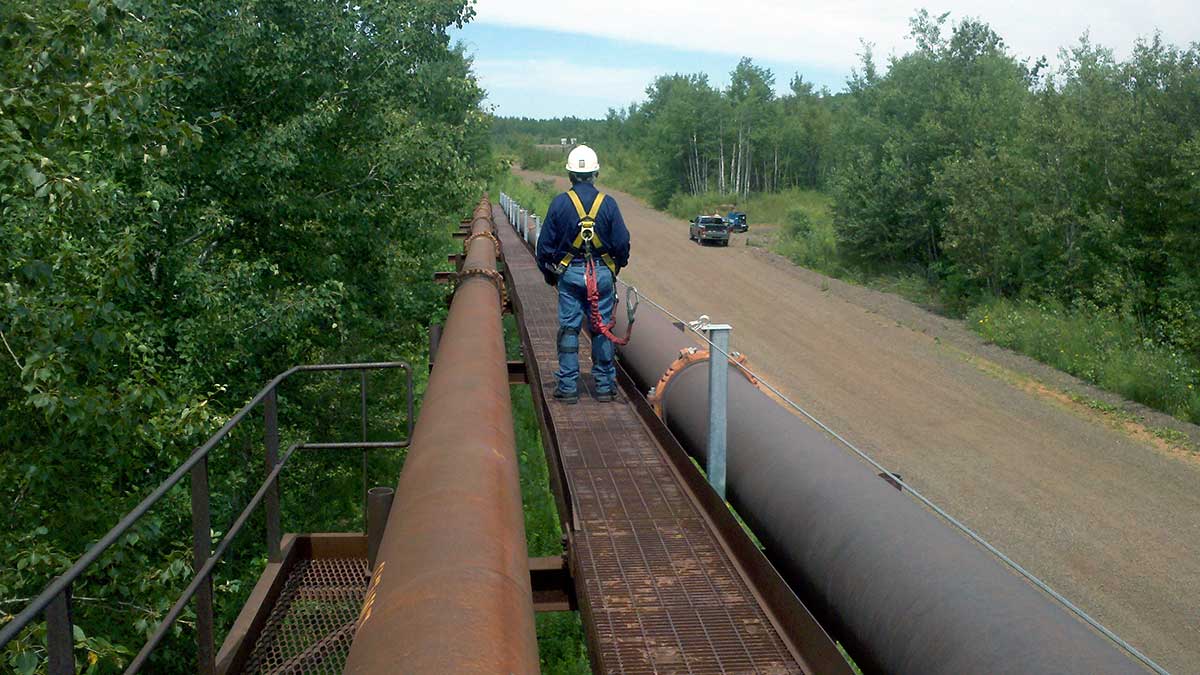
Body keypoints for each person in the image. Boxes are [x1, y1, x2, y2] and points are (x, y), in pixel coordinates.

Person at [536, 145, 631, 404]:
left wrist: (550, 275)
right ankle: (604, 386)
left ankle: (567, 387)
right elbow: (622, 243)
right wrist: (614, 268)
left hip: (570, 275)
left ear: (570, 175)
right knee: (600, 328)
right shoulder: (608, 204)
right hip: (600, 275)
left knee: (569, 329)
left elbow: (543, 248)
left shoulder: (559, 204)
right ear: (595, 174)